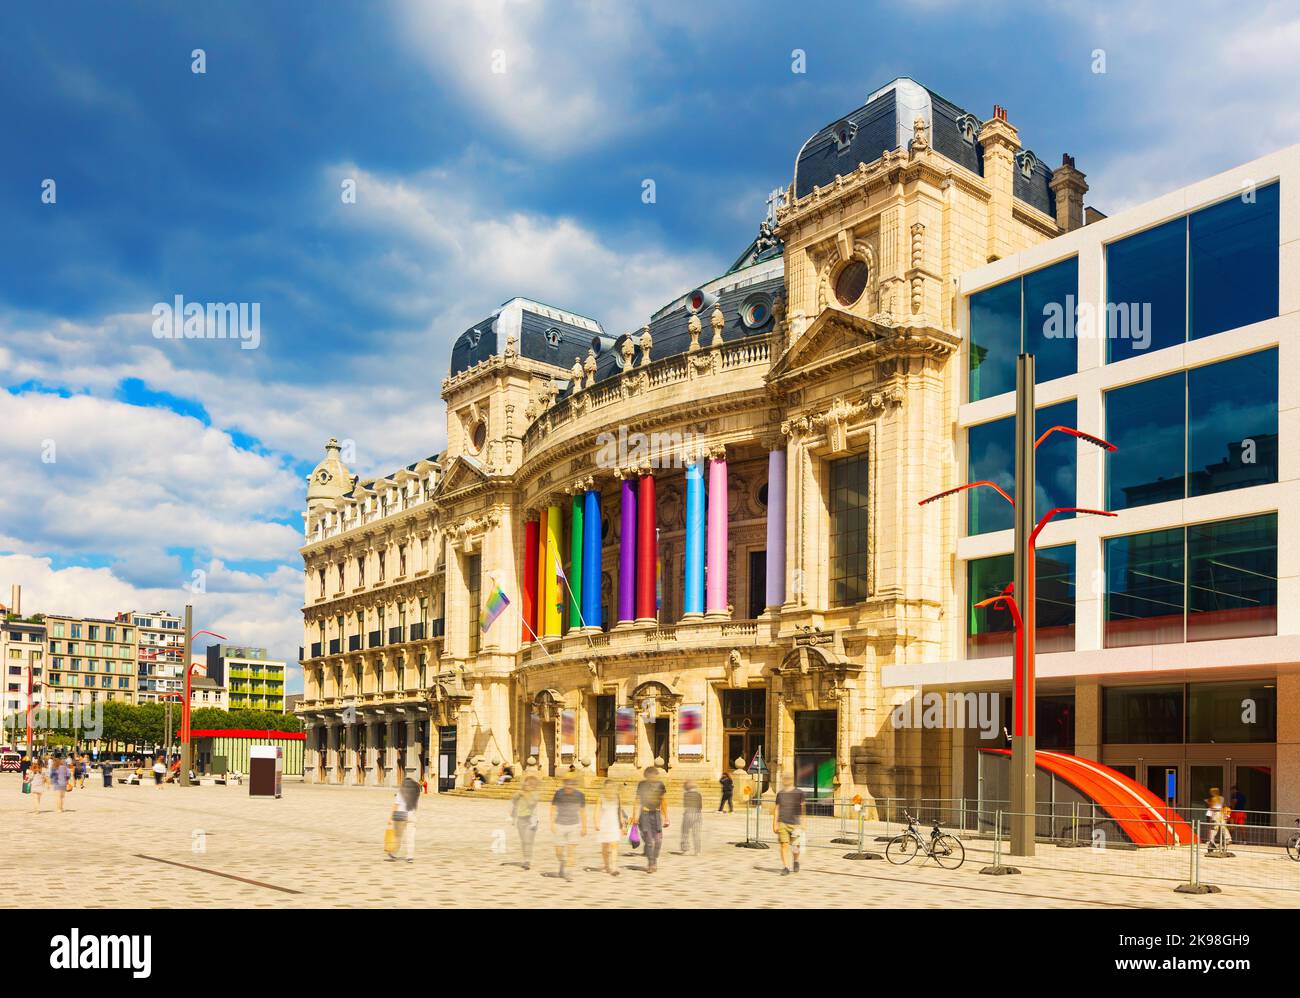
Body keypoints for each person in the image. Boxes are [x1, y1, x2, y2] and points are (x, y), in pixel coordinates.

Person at [631, 766, 669, 873]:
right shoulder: (641, 785)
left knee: (658, 840)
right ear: (647, 776)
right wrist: (635, 816)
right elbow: (637, 800)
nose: (654, 777)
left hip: (656, 814)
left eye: (655, 775)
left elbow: (663, 801)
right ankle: (651, 863)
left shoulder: (660, 785)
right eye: (652, 775)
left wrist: (666, 817)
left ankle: (654, 858)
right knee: (648, 841)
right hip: (644, 814)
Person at [549, 774, 587, 881]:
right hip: (560, 824)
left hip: (574, 825)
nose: (568, 786)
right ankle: (562, 862)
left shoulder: (580, 795)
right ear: (564, 784)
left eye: (571, 784)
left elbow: (583, 811)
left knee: (571, 851)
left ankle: (569, 873)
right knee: (559, 852)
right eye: (567, 784)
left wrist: (584, 827)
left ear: (574, 785)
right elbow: (553, 808)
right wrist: (551, 823)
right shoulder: (559, 793)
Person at [773, 773, 805, 875]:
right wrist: (774, 823)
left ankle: (795, 861)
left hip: (795, 824)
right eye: (785, 778)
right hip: (782, 822)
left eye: (788, 778)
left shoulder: (799, 793)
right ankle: (786, 867)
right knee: (784, 845)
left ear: (792, 780)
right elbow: (777, 809)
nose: (786, 780)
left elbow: (803, 809)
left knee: (796, 846)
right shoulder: (780, 794)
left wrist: (804, 822)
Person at [386, 777, 421, 863]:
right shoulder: (415, 793)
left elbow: (396, 805)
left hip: (400, 814)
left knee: (398, 836)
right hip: (411, 815)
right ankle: (410, 856)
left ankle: (393, 854)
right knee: (411, 836)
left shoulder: (400, 793)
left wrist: (390, 818)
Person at [594, 780, 626, 875]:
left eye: (611, 787)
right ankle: (606, 865)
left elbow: (620, 811)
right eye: (608, 787)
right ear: (605, 788)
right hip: (604, 824)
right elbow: (597, 811)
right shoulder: (601, 797)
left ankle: (614, 867)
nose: (610, 789)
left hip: (614, 824)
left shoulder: (617, 797)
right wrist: (596, 822)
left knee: (614, 845)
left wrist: (623, 825)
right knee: (605, 847)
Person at [510, 776, 542, 870]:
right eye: (526, 783)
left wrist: (524, 794)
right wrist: (513, 817)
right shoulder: (520, 793)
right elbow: (514, 803)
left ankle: (528, 861)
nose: (527, 785)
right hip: (521, 819)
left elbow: (532, 803)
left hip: (531, 820)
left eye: (530, 783)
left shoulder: (535, 794)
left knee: (528, 841)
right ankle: (526, 858)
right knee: (524, 841)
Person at [1205, 787, 1232, 853]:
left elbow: (1212, 807)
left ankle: (1211, 841)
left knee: (1214, 828)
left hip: (1216, 814)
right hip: (1221, 813)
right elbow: (1222, 805)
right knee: (1223, 826)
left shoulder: (1212, 799)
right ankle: (1228, 838)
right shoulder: (1221, 798)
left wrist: (1208, 803)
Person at [680, 780, 703, 855]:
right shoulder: (699, 794)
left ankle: (685, 850)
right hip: (697, 814)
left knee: (685, 832)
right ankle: (697, 851)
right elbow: (700, 806)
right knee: (697, 833)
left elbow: (685, 805)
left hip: (688, 813)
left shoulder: (686, 794)